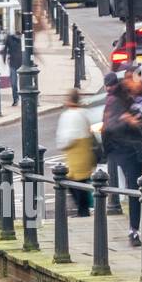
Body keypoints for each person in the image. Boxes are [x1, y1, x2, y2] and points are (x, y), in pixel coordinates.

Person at [101, 67, 142, 244]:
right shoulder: (116, 99)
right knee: (132, 189)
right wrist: (127, 122)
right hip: (121, 150)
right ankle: (133, 230)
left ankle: (134, 229)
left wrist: (138, 122)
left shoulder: (139, 99)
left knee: (136, 190)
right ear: (129, 80)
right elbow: (109, 127)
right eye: (138, 81)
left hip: (135, 149)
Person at [55, 88, 96, 216]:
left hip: (75, 153)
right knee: (80, 182)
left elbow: (67, 138)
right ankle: (83, 210)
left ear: (69, 100)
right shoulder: (84, 113)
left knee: (76, 184)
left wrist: (62, 144)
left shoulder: (70, 115)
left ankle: (83, 211)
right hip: (85, 152)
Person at [1, 26, 23, 106]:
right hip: (13, 63)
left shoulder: (23, 39)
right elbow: (4, 49)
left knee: (23, 83)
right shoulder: (9, 38)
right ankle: (16, 99)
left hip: (22, 64)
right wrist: (4, 59)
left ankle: (22, 98)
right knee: (13, 83)